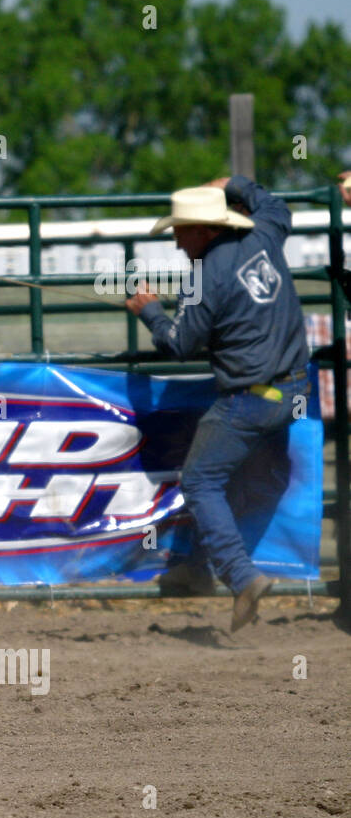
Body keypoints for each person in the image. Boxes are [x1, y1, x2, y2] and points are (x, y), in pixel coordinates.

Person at [127, 175, 310, 632]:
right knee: (232, 479)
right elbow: (276, 204)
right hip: (294, 390)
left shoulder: (205, 276)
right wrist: (233, 182)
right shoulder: (264, 233)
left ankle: (240, 576)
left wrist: (149, 310)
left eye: (180, 230)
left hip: (251, 398)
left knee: (201, 479)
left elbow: (178, 345)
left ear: (205, 231)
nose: (174, 241)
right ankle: (196, 566)